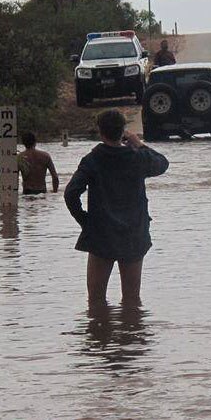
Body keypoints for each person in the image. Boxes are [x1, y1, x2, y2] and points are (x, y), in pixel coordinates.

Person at [64, 110, 169, 307]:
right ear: (123, 131)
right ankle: (131, 326)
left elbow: (70, 194)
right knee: (132, 299)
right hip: (133, 234)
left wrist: (87, 223)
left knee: (95, 300)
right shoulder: (137, 157)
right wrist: (139, 144)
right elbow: (162, 164)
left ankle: (100, 327)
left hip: (102, 235)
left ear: (100, 131)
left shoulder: (93, 159)